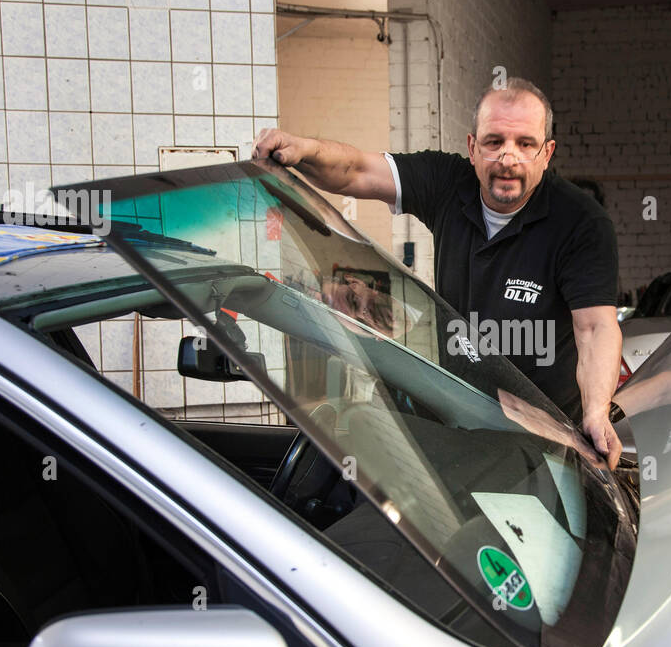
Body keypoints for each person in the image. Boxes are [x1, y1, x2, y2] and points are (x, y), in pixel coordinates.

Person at [254, 77, 623, 468]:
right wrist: (303, 149)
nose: (508, 158)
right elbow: (356, 171)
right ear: (472, 147)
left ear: (547, 153)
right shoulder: (448, 182)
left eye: (525, 144)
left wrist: (596, 412)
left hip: (541, 441)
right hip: (459, 415)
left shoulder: (581, 222)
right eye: (494, 142)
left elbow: (595, 328)